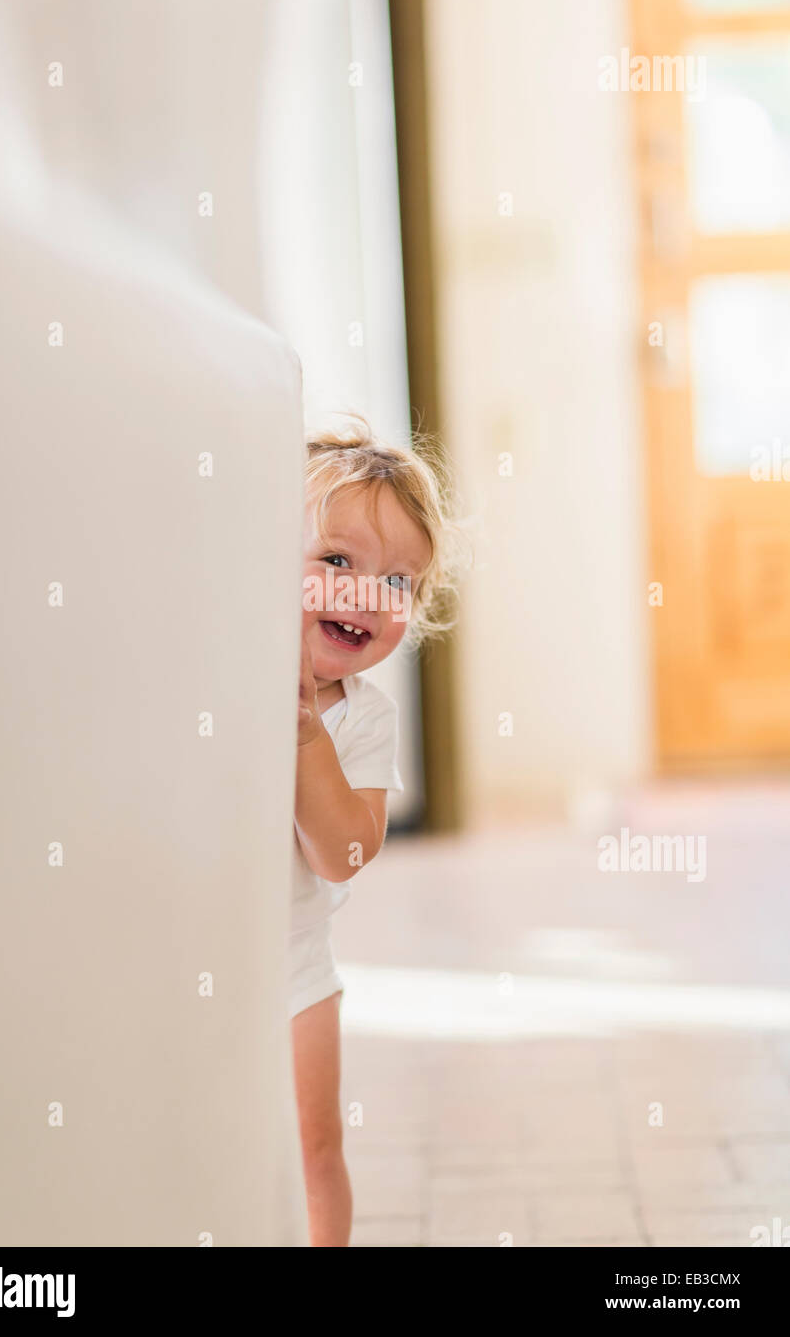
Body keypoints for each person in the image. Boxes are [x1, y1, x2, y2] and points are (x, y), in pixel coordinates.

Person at [290, 414, 468, 1246]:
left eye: (398, 582)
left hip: (294, 972)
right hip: (188, 962)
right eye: (337, 561)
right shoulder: (215, 675)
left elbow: (346, 853)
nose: (368, 593)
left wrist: (303, 736)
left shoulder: (363, 718)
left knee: (314, 1149)